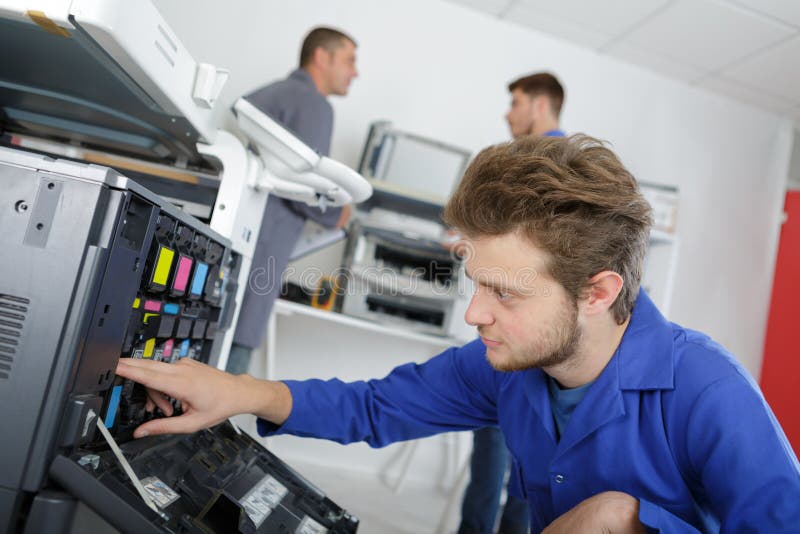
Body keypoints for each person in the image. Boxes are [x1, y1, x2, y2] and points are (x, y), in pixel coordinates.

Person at [118, 134, 800, 532]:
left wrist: (633, 522)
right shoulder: (506, 365)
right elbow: (375, 407)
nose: (474, 314)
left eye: (504, 292)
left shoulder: (709, 392)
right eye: (475, 281)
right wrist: (236, 390)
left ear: (597, 292)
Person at [460, 71, 566, 534]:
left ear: (541, 106)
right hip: (522, 325)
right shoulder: (532, 162)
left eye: (517, 102)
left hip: (529, 331)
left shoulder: (557, 163)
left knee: (510, 457)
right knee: (512, 454)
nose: (509, 112)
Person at [225, 27, 358, 375]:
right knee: (231, 368)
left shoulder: (277, 94)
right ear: (321, 57)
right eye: (349, 61)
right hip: (261, 252)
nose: (355, 72)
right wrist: (337, 214)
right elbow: (305, 185)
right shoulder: (313, 104)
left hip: (241, 241)